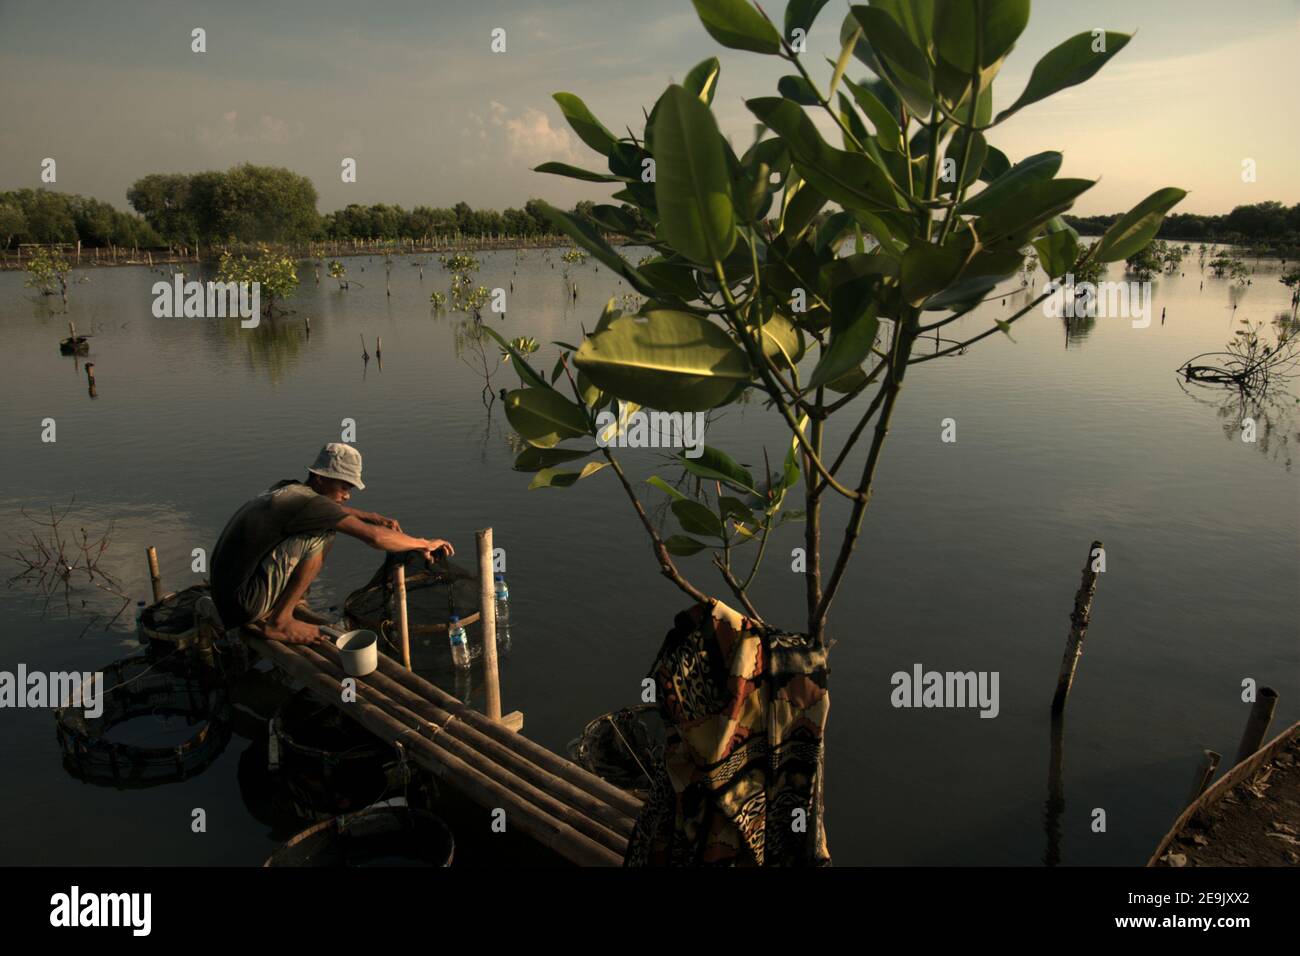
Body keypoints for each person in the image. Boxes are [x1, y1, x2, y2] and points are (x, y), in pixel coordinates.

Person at [211, 443, 453, 644]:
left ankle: (288, 601)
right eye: (344, 486)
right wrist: (423, 543)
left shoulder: (288, 489)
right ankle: (280, 622)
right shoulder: (311, 506)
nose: (347, 494)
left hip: (228, 595)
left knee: (323, 523)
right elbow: (375, 538)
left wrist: (369, 515)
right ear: (319, 479)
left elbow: (329, 509)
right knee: (322, 533)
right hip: (243, 605)